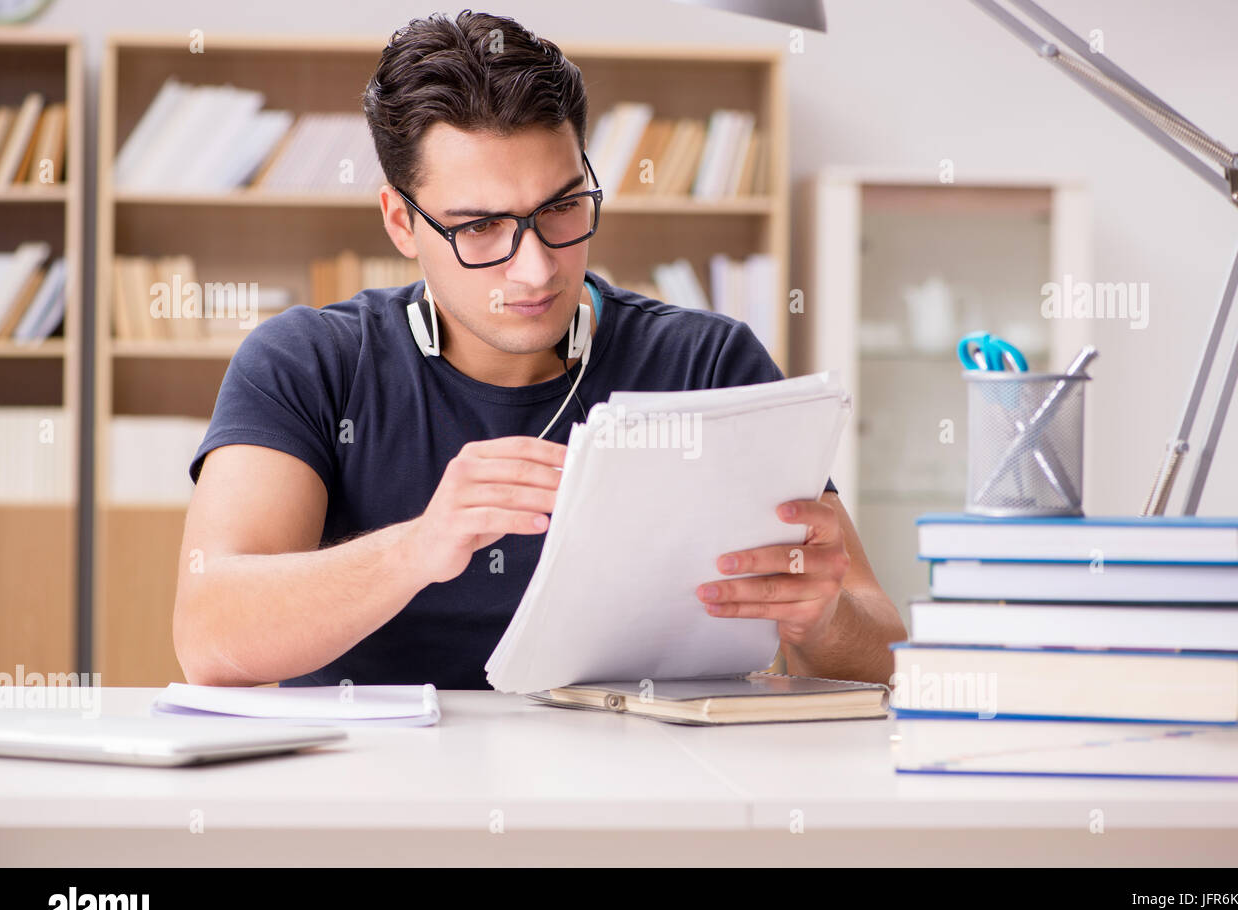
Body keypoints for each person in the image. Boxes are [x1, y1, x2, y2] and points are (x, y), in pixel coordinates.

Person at [173, 9, 905, 689]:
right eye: (480, 226)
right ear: (400, 221)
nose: (535, 268)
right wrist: (417, 548)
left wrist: (822, 619)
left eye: (560, 208)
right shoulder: (305, 363)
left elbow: (883, 660)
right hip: (377, 779)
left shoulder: (708, 365)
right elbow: (209, 635)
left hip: (645, 776)